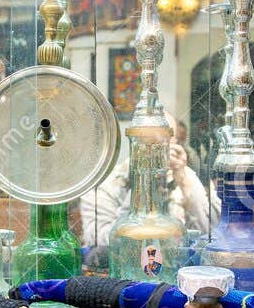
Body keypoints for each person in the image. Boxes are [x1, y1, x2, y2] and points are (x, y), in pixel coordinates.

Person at [82, 112, 218, 268]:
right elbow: (100, 240)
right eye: (148, 143)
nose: (154, 151)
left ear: (175, 143)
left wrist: (184, 180)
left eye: (163, 142)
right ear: (134, 143)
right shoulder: (106, 186)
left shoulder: (188, 179)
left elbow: (212, 234)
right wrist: (144, 185)